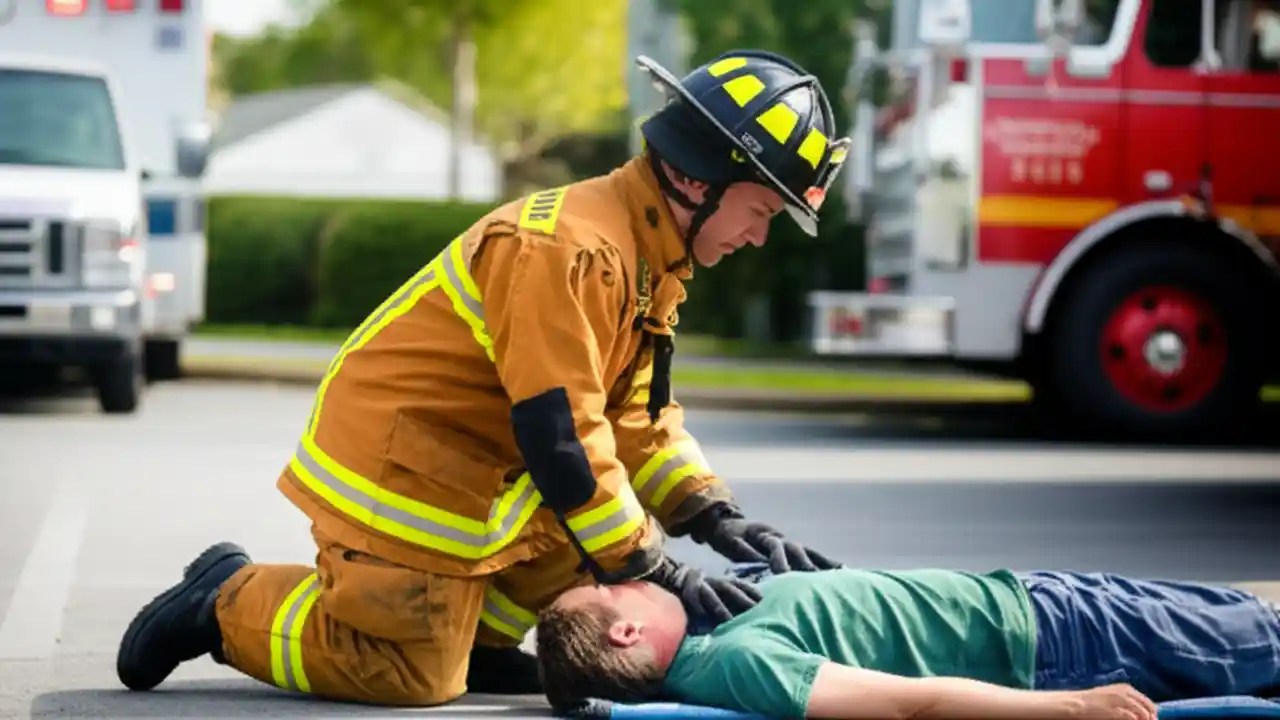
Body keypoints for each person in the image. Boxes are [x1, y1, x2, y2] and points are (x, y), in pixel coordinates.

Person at [114, 48, 849, 707]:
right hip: (403, 469)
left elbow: (632, 418)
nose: (756, 236)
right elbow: (564, 436)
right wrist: (664, 570)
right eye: (759, 211)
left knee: (608, 568)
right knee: (413, 675)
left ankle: (479, 642)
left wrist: (720, 519)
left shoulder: (646, 259)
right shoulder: (570, 248)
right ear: (695, 180)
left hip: (481, 468)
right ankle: (227, 600)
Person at [535, 565, 1280, 719]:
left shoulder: (711, 632)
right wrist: (1075, 707)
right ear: (628, 629)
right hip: (1059, 643)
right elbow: (906, 705)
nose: (626, 576)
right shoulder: (735, 665)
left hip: (1042, 604)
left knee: (1251, 621)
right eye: (611, 588)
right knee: (1263, 641)